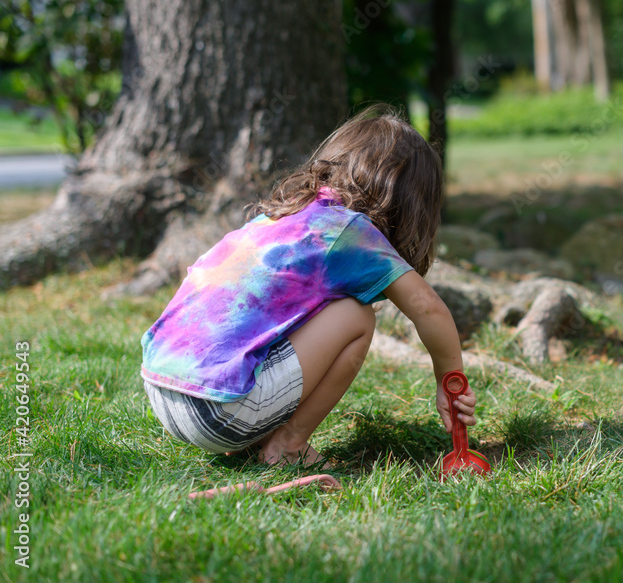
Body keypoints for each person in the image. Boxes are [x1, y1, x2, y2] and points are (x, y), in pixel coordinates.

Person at [139, 106, 477, 477]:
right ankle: (287, 445)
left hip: (162, 392)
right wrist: (449, 380)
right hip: (216, 412)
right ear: (408, 199)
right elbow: (428, 309)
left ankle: (255, 438)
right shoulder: (350, 231)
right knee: (356, 316)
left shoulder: (282, 216)